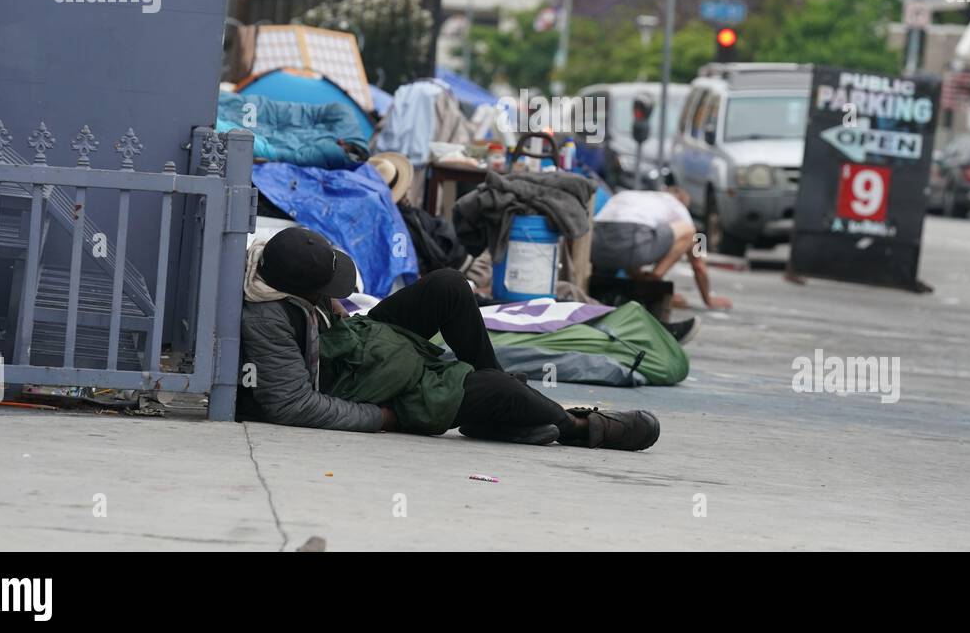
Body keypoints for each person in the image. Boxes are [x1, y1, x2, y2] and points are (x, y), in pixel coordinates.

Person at [236, 226, 660, 451]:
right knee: (494, 387)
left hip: (356, 345)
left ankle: (494, 414)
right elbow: (291, 404)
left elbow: (326, 319)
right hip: (354, 383)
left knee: (449, 285)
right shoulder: (267, 319)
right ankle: (582, 427)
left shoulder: (271, 264)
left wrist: (331, 309)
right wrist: (382, 420)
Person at [591, 187, 733, 311]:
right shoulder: (677, 206)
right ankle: (655, 280)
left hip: (597, 251)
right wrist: (708, 298)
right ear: (682, 201)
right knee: (690, 231)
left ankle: (639, 279)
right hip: (631, 244)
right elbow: (698, 264)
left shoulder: (632, 196)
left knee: (640, 235)